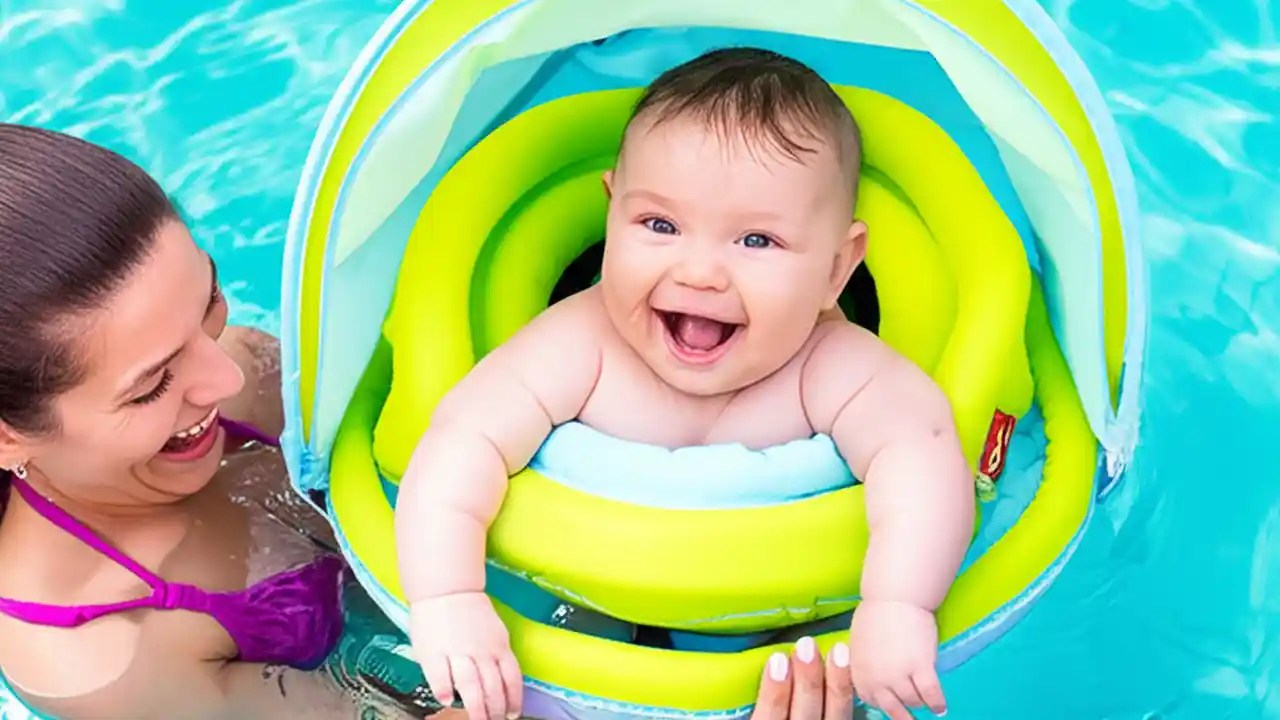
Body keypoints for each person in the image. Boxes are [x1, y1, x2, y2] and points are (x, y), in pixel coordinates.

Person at [0, 123, 852, 720]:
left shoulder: (238, 369)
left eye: (209, 304)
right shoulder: (96, 660)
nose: (227, 375)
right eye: (153, 385)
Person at [396, 47, 972, 720]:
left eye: (756, 241)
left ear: (837, 269)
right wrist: (449, 600)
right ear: (612, 214)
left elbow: (923, 454)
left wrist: (898, 605)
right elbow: (462, 442)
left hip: (789, 632)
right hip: (591, 610)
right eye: (660, 225)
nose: (700, 272)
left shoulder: (833, 365)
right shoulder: (580, 343)